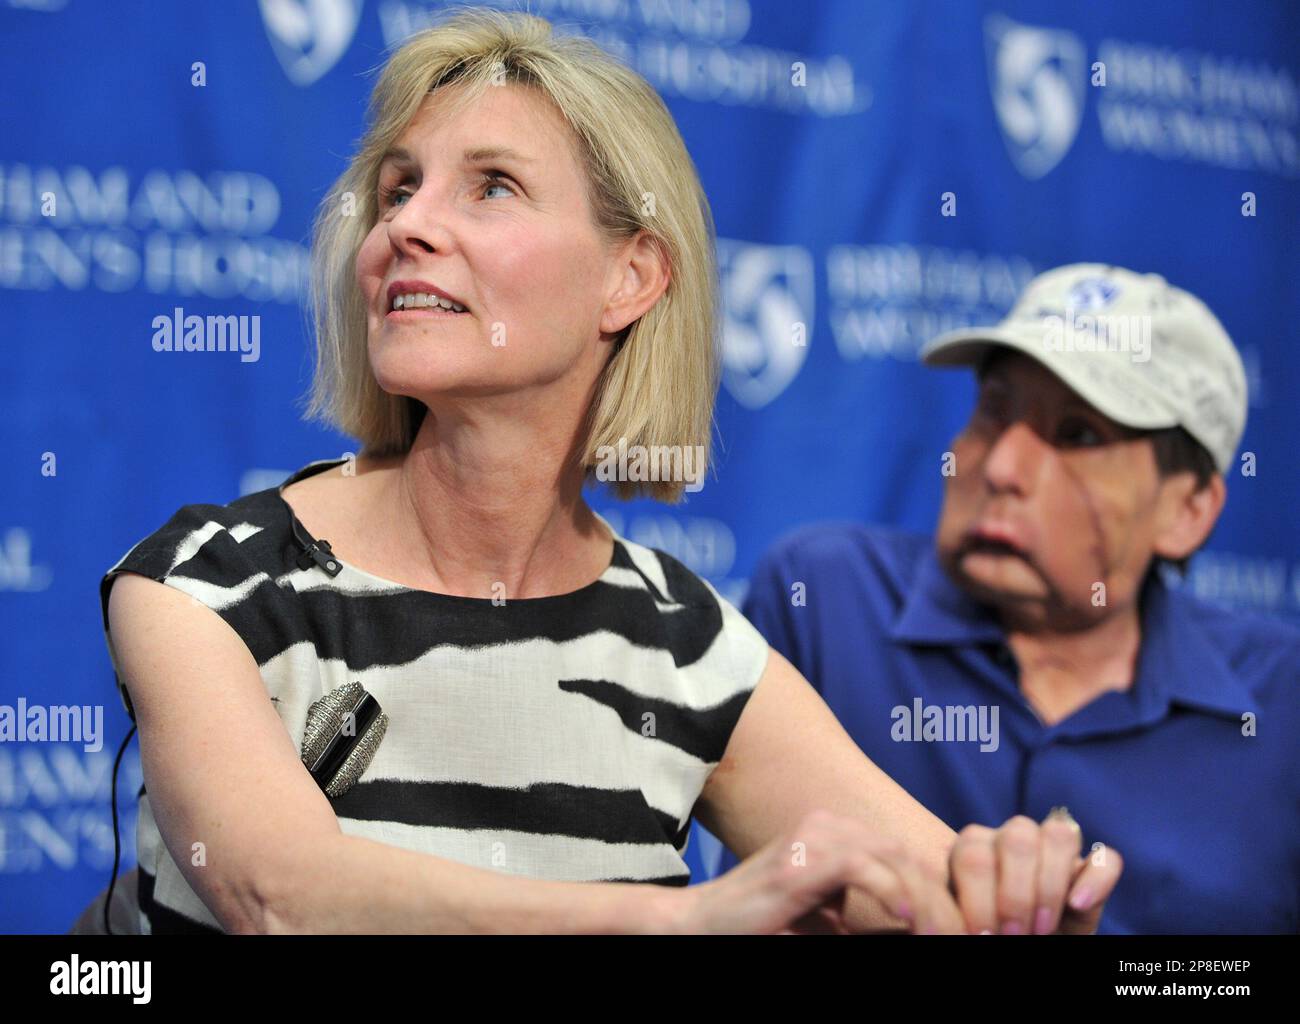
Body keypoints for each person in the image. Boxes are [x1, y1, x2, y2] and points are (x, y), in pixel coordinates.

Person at [97, 10, 1119, 935]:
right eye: (398, 188)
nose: (405, 225)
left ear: (630, 277)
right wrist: (680, 924)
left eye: (490, 186)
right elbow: (280, 896)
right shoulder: (208, 581)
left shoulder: (681, 637)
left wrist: (1014, 894)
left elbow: (933, 893)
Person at [720, 262, 1299, 933]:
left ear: (1188, 510)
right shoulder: (824, 599)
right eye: (994, 410)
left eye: (1078, 434)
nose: (1001, 469)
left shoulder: (1281, 699)